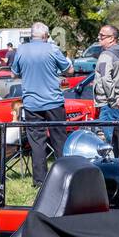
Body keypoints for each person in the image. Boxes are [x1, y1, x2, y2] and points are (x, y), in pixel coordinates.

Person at [12, 21, 72, 189]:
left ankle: (39, 180)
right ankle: (65, 176)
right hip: (53, 101)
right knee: (59, 140)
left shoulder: (21, 49)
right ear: (45, 35)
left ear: (32, 35)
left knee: (37, 142)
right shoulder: (52, 49)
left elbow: (14, 73)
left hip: (31, 103)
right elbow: (69, 70)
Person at [92, 24, 119, 136]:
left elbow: (105, 79)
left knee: (111, 140)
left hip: (110, 104)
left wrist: (113, 101)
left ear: (111, 38)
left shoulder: (106, 55)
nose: (99, 38)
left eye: (102, 35)